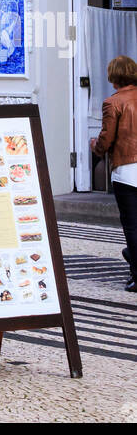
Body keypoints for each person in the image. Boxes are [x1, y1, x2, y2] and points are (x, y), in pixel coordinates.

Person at [91, 55, 137, 293]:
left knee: (132, 225)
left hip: (128, 171)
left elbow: (106, 139)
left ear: (113, 77)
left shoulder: (113, 102)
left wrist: (94, 147)